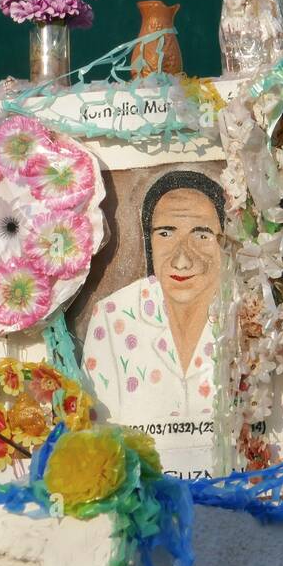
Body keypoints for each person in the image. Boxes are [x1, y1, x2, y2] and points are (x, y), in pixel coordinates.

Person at [80, 170, 224, 430]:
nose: (182, 260)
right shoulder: (113, 317)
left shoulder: (250, 313)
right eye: (166, 234)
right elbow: (96, 433)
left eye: (201, 235)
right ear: (149, 242)